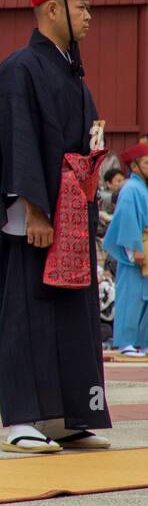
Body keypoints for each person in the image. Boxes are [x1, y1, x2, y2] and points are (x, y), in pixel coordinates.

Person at [0, 0, 111, 454]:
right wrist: (33, 209)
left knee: (71, 314)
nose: (90, 16)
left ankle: (67, 414)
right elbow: (16, 141)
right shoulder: (19, 69)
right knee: (27, 313)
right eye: (83, 7)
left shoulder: (72, 72)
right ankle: (23, 418)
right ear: (53, 8)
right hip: (35, 217)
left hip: (70, 214)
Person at [103, 143, 148, 358]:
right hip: (137, 247)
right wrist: (134, 250)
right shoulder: (130, 188)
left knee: (145, 297)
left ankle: (142, 341)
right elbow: (128, 219)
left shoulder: (143, 188)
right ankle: (126, 341)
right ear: (135, 166)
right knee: (131, 295)